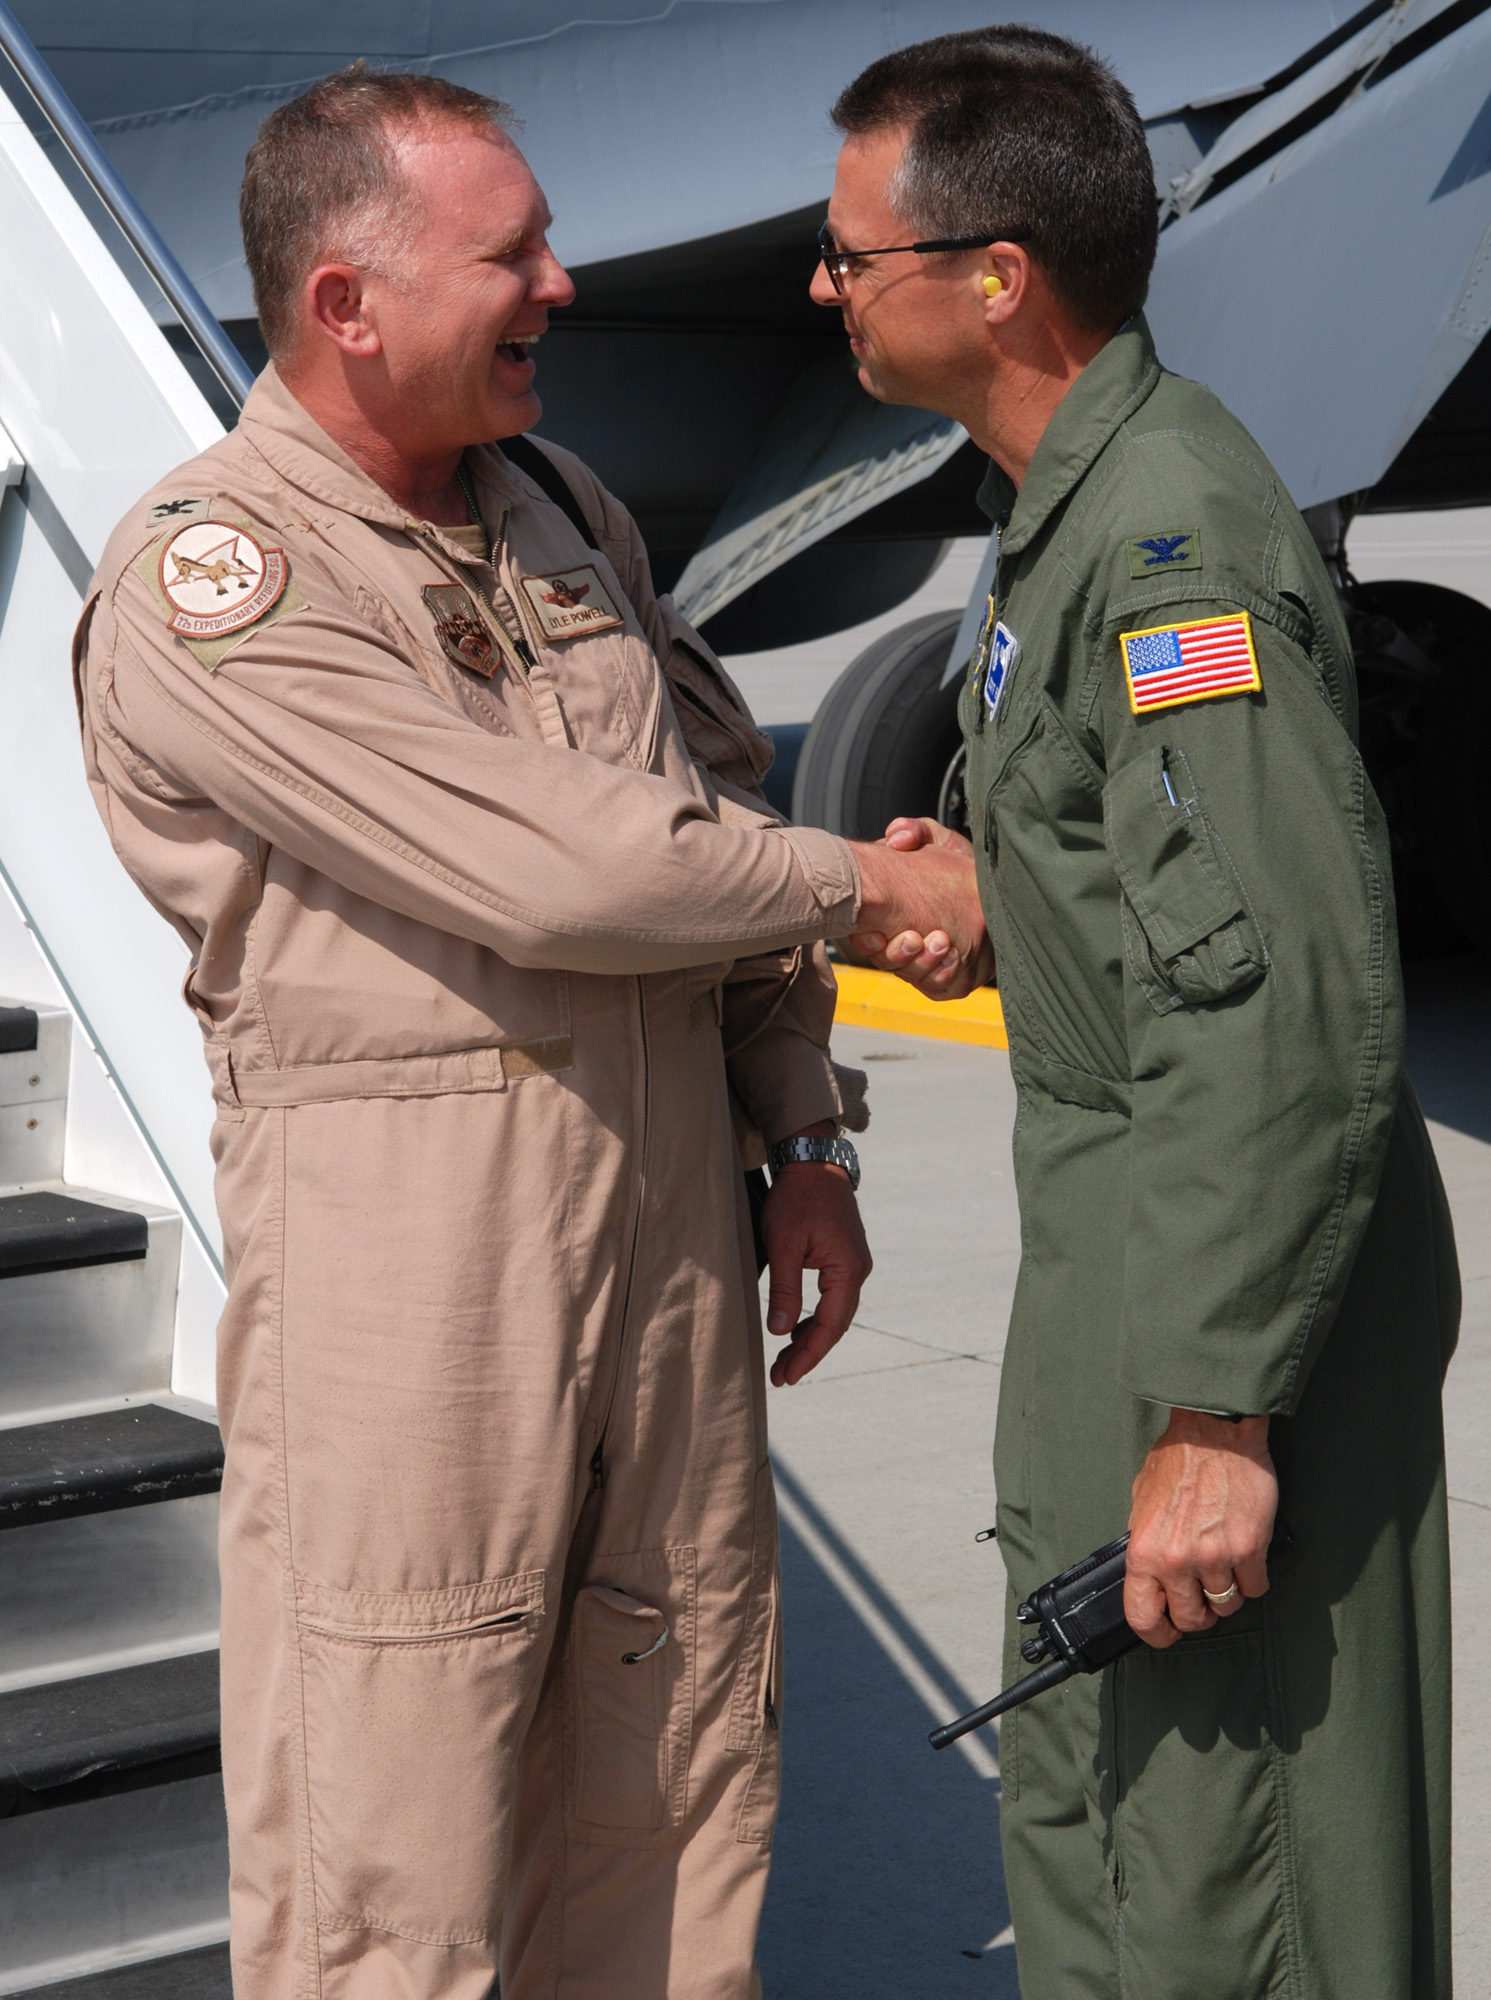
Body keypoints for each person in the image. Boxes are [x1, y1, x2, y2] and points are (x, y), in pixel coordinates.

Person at [74, 66, 986, 2000]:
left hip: (665, 1242)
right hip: (419, 1277)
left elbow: (706, 798)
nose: (563, 286)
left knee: (674, 1776)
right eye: (515, 254)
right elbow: (565, 873)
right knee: (392, 1836)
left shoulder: (562, 508)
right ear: (348, 304)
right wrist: (876, 887)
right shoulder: (216, 579)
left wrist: (801, 1139)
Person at [821, 27, 1461, 2000]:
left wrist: (1208, 1411)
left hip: (1217, 1282)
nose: (824, 288)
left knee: (1227, 1877)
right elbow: (1157, 894)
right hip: (1128, 1241)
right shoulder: (1060, 514)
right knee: (1107, 1815)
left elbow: (1277, 996)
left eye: (854, 255)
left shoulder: (1170, 533)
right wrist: (1002, 898)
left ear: (992, 275)